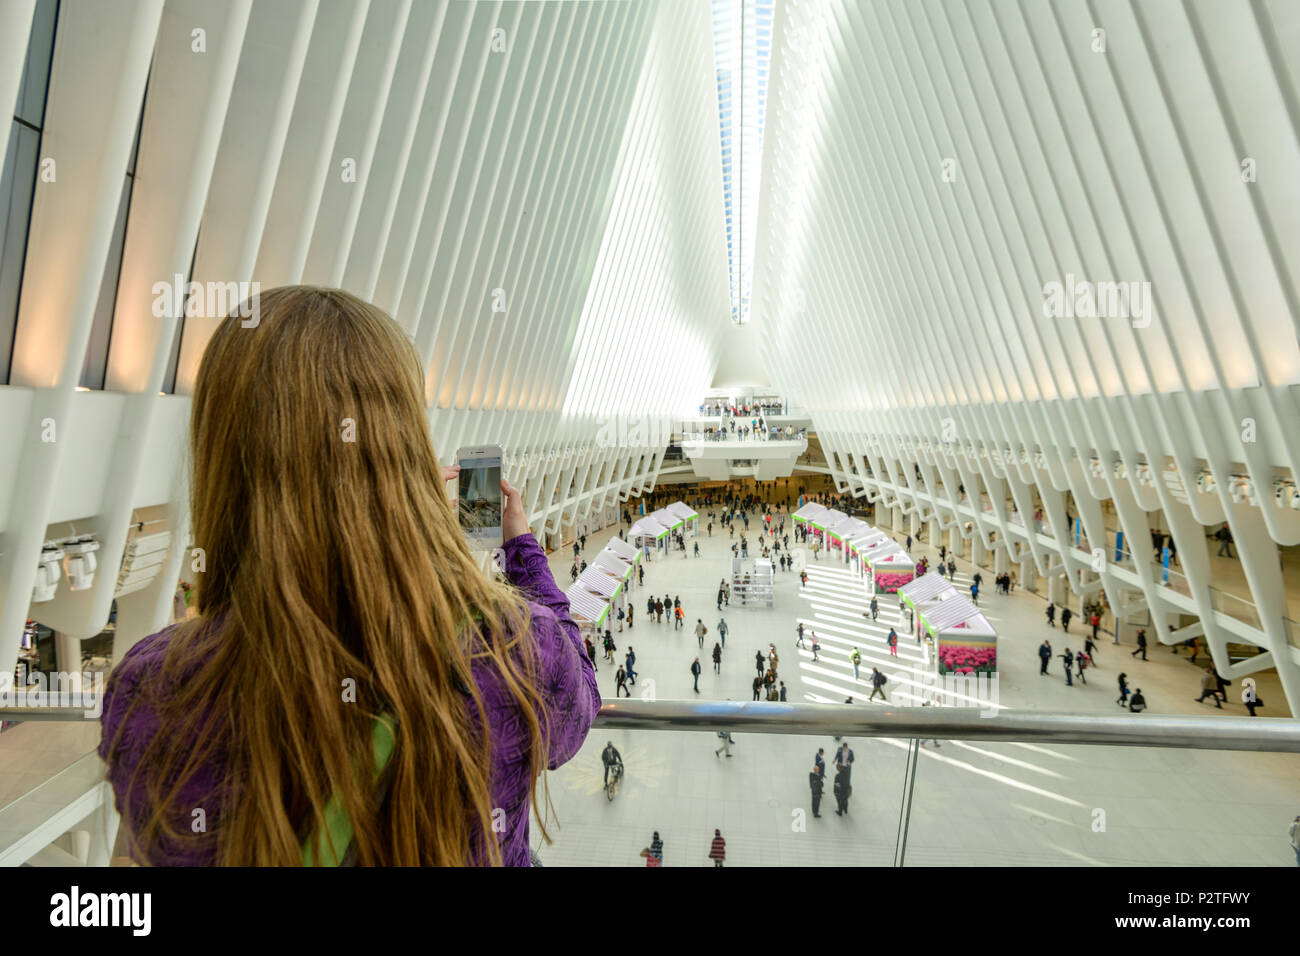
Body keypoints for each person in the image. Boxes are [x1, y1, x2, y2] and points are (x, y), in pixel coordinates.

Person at [98, 287, 600, 867]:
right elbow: (578, 702)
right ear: (406, 451)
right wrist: (519, 549)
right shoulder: (513, 653)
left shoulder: (152, 692)